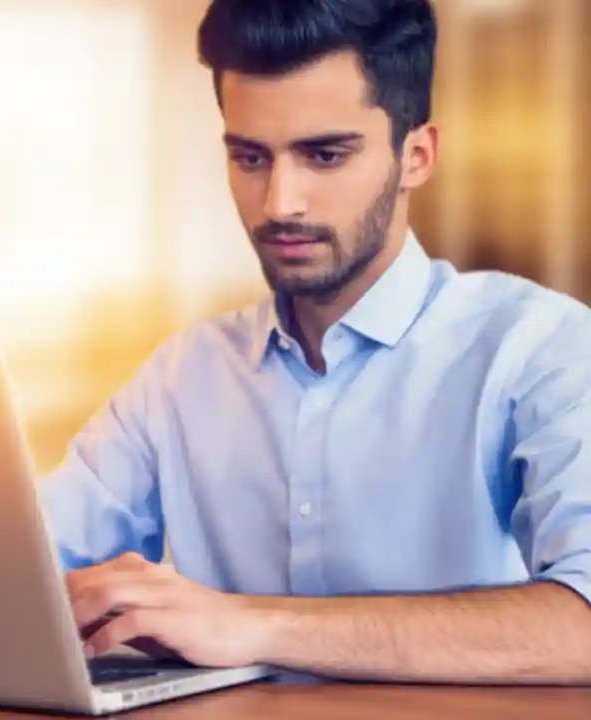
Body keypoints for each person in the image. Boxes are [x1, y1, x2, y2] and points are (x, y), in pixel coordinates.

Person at [42, 0, 591, 683]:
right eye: (249, 157)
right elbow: (17, 569)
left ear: (416, 156)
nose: (280, 203)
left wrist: (250, 624)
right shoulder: (182, 379)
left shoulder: (539, 348)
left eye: (324, 155)